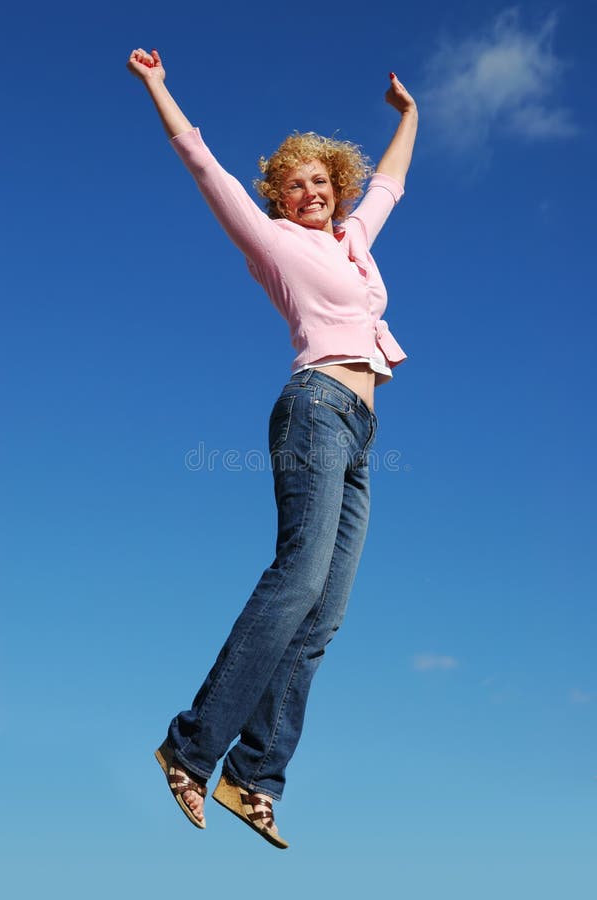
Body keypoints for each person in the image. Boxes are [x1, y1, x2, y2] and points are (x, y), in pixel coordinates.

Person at [127, 47, 418, 850]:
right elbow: (200, 162)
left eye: (321, 181)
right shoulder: (270, 243)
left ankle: (251, 778)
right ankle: (187, 748)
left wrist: (411, 117)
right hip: (315, 407)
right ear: (279, 199)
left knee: (326, 612)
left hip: (361, 432)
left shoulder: (355, 242)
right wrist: (158, 84)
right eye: (295, 184)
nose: (311, 192)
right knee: (295, 581)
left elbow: (389, 184)